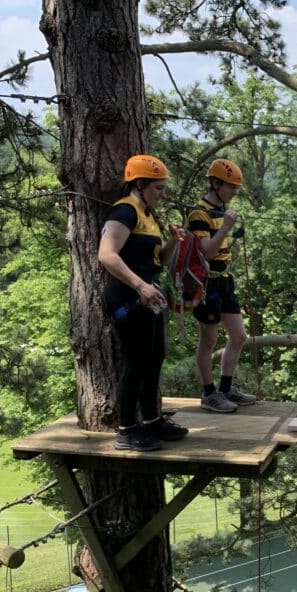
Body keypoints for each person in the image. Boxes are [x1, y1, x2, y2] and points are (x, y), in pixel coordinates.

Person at [98, 154, 189, 451]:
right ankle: (126, 430)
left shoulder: (147, 214)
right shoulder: (125, 211)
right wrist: (139, 286)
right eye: (158, 188)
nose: (163, 195)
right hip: (128, 296)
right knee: (135, 362)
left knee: (154, 358)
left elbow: (157, 262)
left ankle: (151, 420)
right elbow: (107, 254)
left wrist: (174, 242)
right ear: (139, 184)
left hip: (147, 296)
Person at [187, 158, 259, 414]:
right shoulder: (199, 213)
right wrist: (227, 227)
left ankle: (226, 388)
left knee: (239, 336)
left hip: (224, 281)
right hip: (207, 285)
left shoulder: (219, 212)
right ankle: (209, 394)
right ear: (215, 183)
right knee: (209, 339)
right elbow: (206, 252)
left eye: (236, 188)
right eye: (231, 187)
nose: (234, 192)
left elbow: (220, 248)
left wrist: (230, 232)